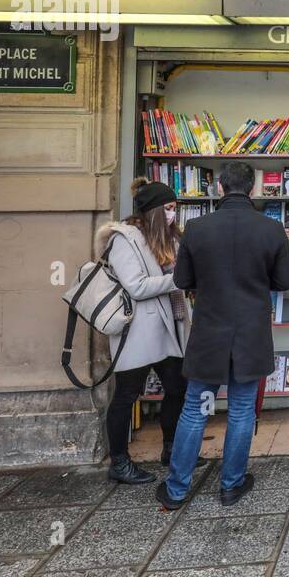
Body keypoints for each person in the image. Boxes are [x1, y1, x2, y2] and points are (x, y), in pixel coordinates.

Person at [159, 161, 289, 509]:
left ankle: (177, 489)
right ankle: (231, 485)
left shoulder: (197, 228)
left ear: (219, 187)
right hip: (250, 332)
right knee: (242, 408)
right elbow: (285, 282)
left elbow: (182, 281)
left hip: (209, 331)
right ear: (252, 189)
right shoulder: (271, 229)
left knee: (194, 408)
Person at [96, 178, 189, 484]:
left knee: (177, 388)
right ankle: (120, 462)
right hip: (139, 330)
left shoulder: (168, 238)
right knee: (126, 394)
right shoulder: (125, 239)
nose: (174, 214)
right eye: (170, 208)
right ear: (155, 211)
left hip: (168, 328)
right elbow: (135, 286)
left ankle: (172, 448)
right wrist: (179, 279)